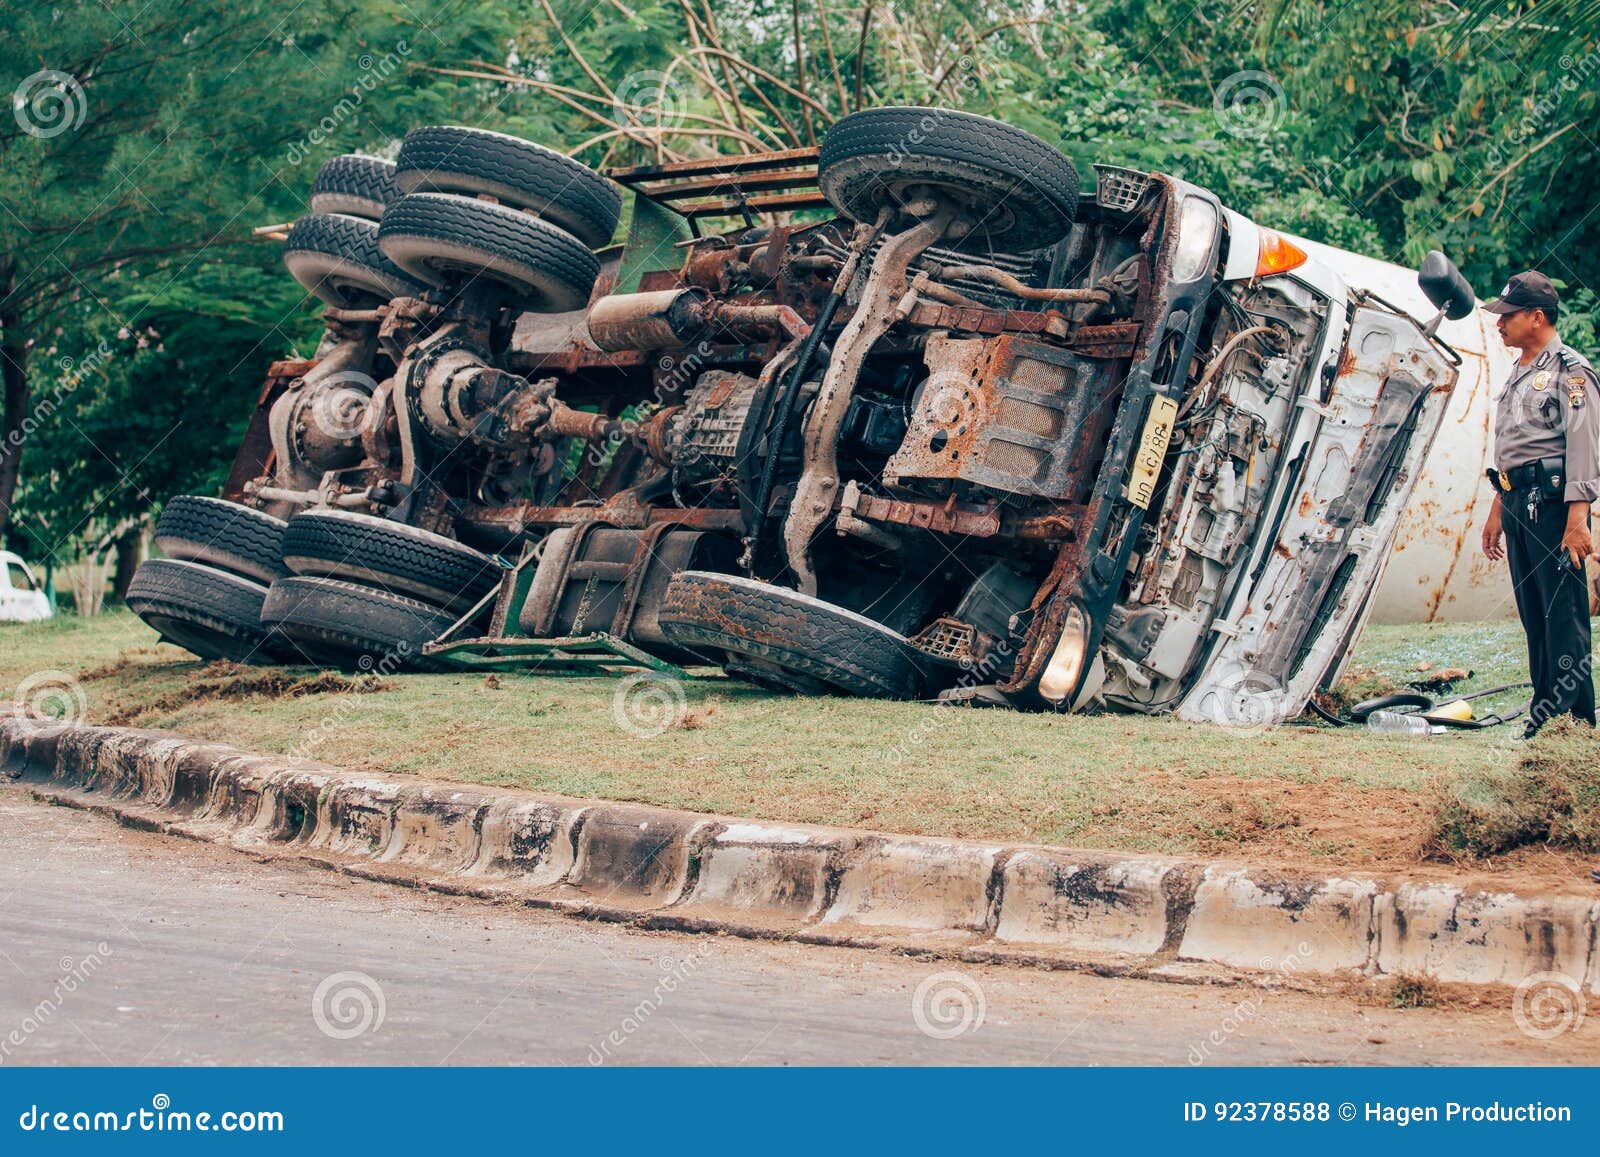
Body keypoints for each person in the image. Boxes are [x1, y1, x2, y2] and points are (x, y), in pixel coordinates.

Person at [1479, 270, 1600, 738]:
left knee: (1562, 613)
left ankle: (1571, 722)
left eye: (1508, 315)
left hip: (1552, 506)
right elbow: (1516, 446)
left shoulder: (1572, 371)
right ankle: (1545, 713)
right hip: (1517, 501)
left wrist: (1577, 519)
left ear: (1536, 317)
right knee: (1535, 614)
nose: (1499, 323)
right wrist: (1498, 507)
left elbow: (1584, 446)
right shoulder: (1520, 371)